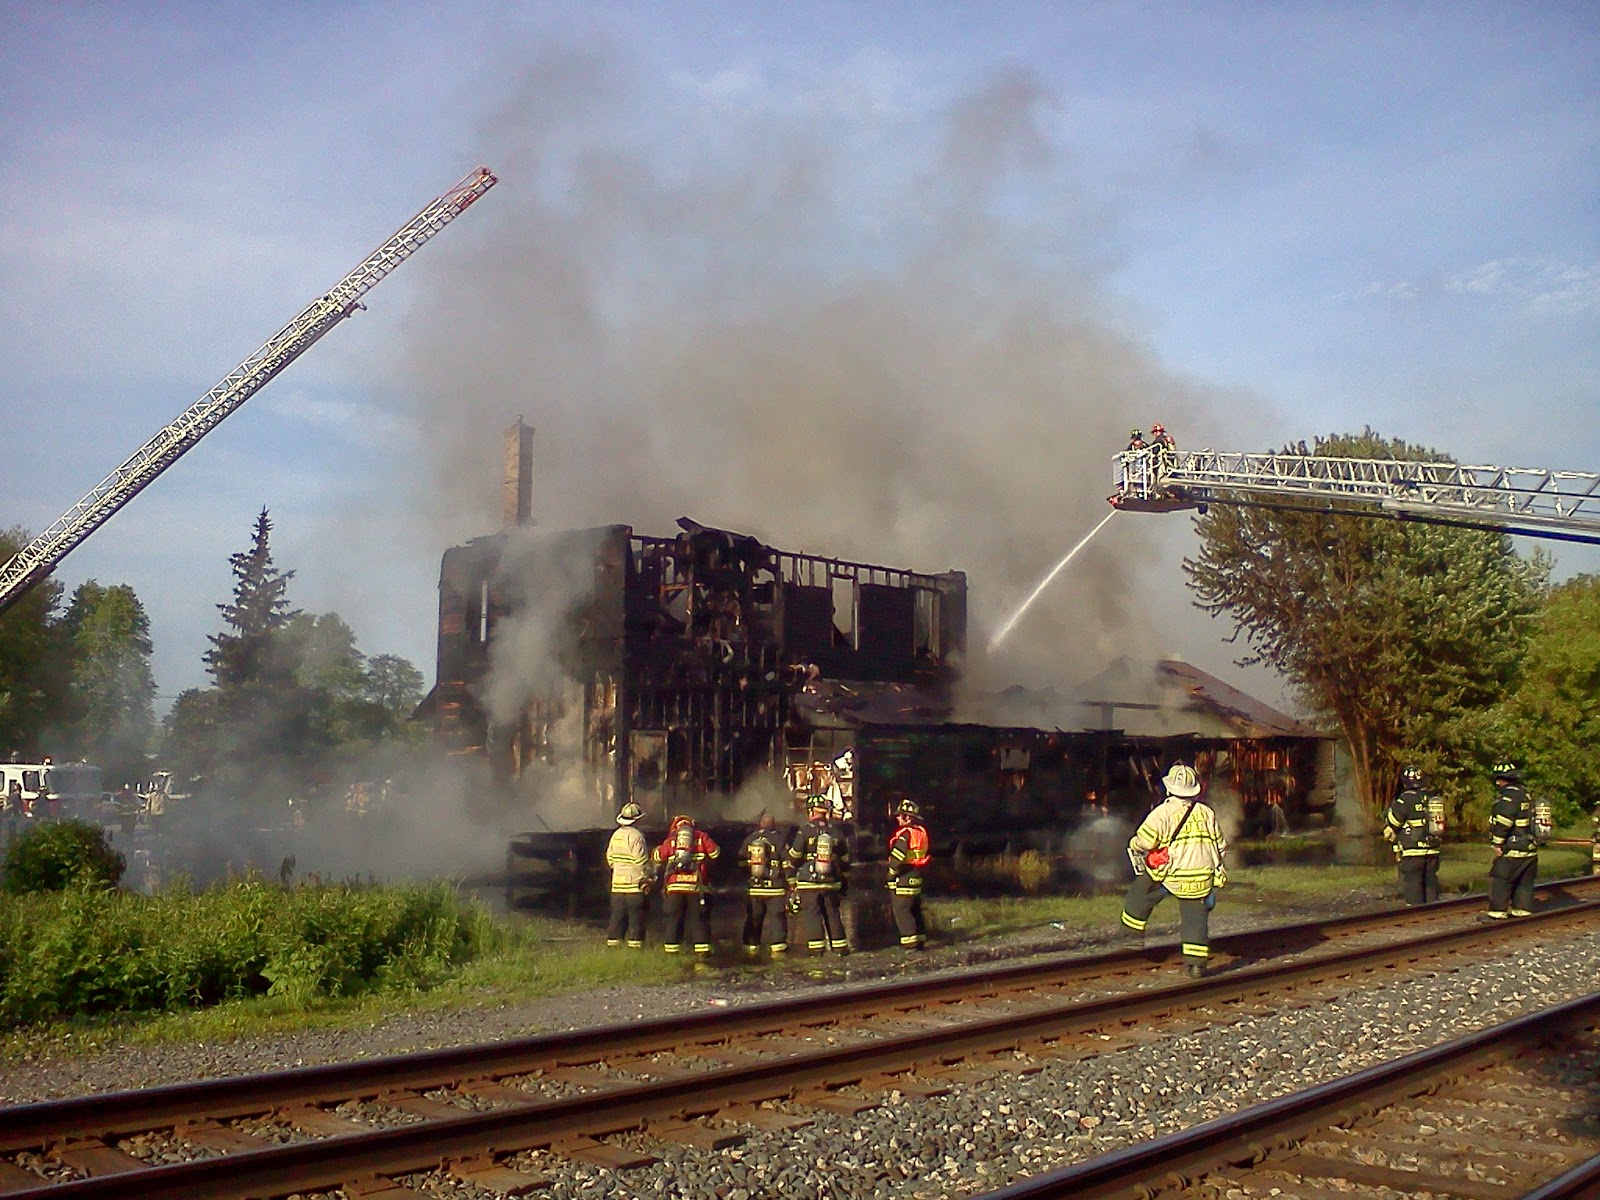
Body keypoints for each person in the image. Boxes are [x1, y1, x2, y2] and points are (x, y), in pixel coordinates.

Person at [1120, 763, 1228, 978]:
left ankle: (1131, 936)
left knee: (1141, 892)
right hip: (1202, 876)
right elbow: (1221, 845)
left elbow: (1147, 842)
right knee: (1195, 918)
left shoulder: (1163, 812)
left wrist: (1135, 843)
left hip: (1172, 872)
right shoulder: (1207, 812)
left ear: (1169, 788)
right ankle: (1196, 965)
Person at [788, 794, 850, 955]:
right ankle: (840, 947)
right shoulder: (835, 832)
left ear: (811, 812)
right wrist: (843, 879)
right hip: (831, 881)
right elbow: (845, 858)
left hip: (809, 882)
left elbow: (795, 856)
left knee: (812, 914)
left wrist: (792, 878)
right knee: (832, 913)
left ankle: (817, 951)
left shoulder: (805, 830)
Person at [653, 814, 720, 956]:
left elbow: (658, 857)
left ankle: (672, 952)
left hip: (675, 888)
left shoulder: (671, 840)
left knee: (673, 919)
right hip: (696, 887)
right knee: (698, 919)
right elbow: (715, 853)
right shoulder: (702, 837)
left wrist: (657, 849)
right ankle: (702, 953)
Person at [1486, 761, 1543, 919]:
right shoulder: (1525, 794)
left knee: (1500, 881)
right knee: (1524, 885)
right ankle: (1522, 912)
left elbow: (1504, 822)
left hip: (1512, 850)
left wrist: (1498, 843)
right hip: (1529, 850)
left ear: (1500, 779)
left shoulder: (1508, 797)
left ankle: (1497, 913)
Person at [1383, 765, 1443, 905]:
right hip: (1433, 851)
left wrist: (1393, 843)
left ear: (1405, 782)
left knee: (1413, 886)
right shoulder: (1431, 798)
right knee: (1430, 885)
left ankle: (1416, 916)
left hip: (1412, 853)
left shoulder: (1405, 800)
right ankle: (1433, 914)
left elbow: (1391, 827)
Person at [737, 813, 789, 956]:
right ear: (774, 824)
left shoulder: (750, 839)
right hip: (775, 888)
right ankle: (778, 950)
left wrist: (747, 875)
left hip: (754, 888)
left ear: (760, 824)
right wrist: (791, 883)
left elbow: (741, 862)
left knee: (753, 917)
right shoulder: (779, 839)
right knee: (777, 918)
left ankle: (750, 948)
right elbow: (787, 862)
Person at [885, 795, 931, 951]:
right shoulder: (921, 832)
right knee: (915, 909)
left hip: (903, 876)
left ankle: (910, 943)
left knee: (902, 910)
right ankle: (920, 940)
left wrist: (891, 875)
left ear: (906, 817)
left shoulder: (905, 835)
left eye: (899, 816)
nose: (898, 819)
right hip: (917, 875)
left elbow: (897, 858)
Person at [604, 802, 651, 949]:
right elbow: (641, 861)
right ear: (637, 820)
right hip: (634, 887)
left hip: (617, 886)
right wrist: (649, 876)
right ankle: (635, 949)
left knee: (617, 918)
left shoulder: (615, 835)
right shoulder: (637, 837)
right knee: (636, 919)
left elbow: (610, 859)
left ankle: (613, 947)